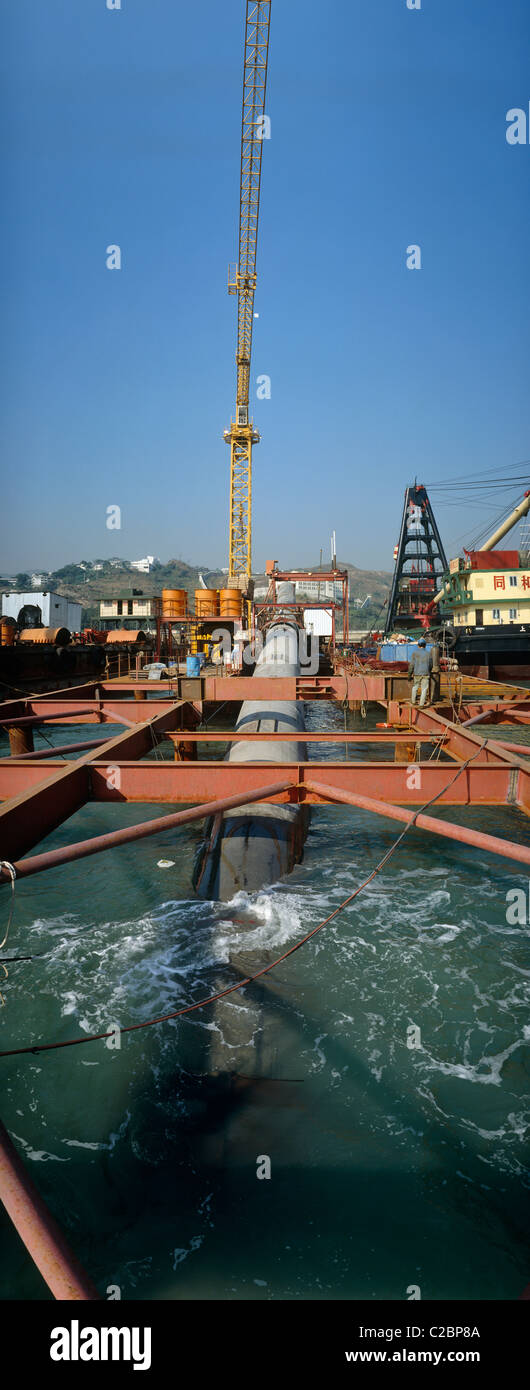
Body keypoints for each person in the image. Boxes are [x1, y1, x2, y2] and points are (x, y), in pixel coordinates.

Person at [408, 639, 433, 707]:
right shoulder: (428, 654)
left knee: (415, 687)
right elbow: (431, 665)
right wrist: (429, 671)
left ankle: (413, 701)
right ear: (425, 645)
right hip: (425, 674)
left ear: (418, 645)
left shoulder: (414, 653)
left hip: (416, 673)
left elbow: (411, 665)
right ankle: (421, 704)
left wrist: (409, 675)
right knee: (424, 689)